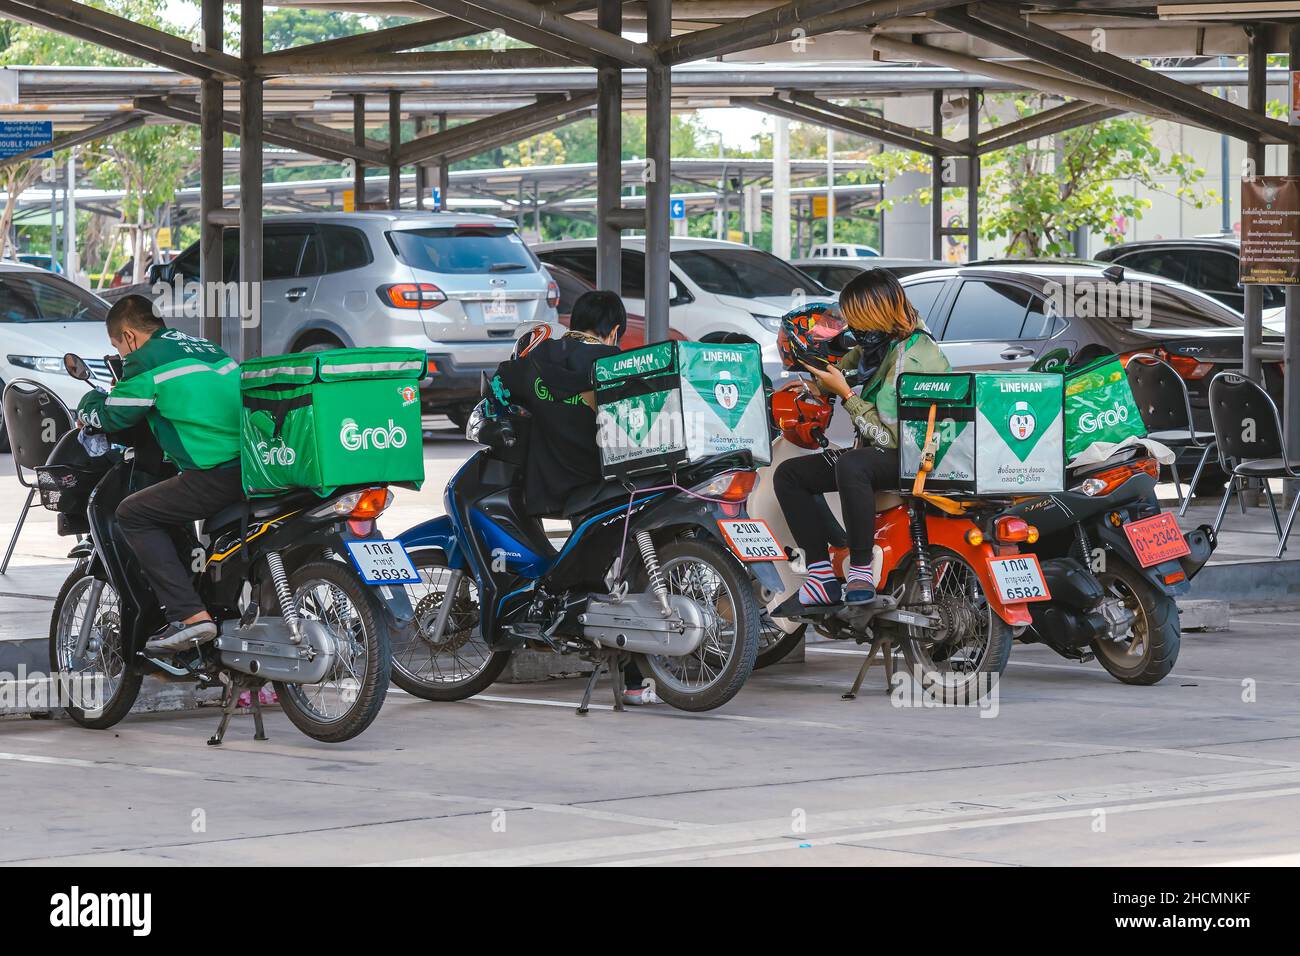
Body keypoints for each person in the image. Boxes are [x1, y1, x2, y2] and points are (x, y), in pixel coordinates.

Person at [491, 291, 657, 704]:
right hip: (610, 483)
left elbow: (498, 387)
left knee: (601, 576)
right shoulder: (614, 366)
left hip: (554, 488)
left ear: (574, 322)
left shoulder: (539, 357)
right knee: (618, 578)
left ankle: (628, 675)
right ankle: (634, 680)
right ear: (615, 330)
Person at [774, 269, 950, 610]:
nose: (851, 327)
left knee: (854, 465)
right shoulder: (880, 343)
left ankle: (860, 568)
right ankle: (821, 574)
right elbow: (844, 366)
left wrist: (846, 396)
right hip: (895, 451)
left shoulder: (908, 358)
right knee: (791, 475)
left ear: (875, 316)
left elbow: (888, 438)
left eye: (856, 318)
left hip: (918, 456)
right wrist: (814, 385)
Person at [76, 294, 244, 653]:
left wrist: (88, 405)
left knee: (132, 513)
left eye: (118, 346)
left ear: (129, 336)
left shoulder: (144, 361)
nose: (122, 354)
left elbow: (113, 416)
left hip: (214, 473)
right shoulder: (206, 347)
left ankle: (190, 615)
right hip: (253, 467)